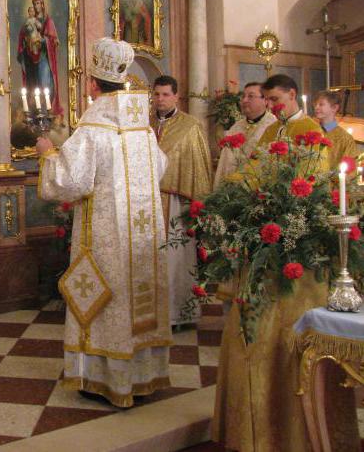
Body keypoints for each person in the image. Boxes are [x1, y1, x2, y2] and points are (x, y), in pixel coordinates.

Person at [213, 74, 357, 451]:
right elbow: (255, 171)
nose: (273, 106)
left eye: (276, 99)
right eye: (269, 100)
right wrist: (232, 192)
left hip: (297, 256)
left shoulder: (310, 130)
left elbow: (310, 180)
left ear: (292, 95)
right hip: (265, 238)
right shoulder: (270, 132)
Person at [36, 37, 171, 408]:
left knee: (103, 301)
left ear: (93, 84)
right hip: (143, 233)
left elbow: (69, 182)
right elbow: (161, 167)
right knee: (135, 301)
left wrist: (49, 155)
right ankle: (142, 377)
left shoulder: (93, 128)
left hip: (106, 235)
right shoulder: (140, 127)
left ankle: (101, 378)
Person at [149, 75, 212, 325]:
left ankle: (178, 315)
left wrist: (198, 204)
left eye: (165, 94)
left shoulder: (190, 126)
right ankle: (152, 314)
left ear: (176, 96)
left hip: (177, 202)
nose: (160, 99)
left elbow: (199, 167)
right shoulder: (143, 125)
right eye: (156, 94)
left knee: (177, 258)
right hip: (148, 203)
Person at [213, 82, 276, 189]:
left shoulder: (273, 126)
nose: (244, 100)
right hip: (232, 191)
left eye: (250, 96)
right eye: (243, 96)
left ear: (265, 100)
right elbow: (225, 163)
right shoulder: (236, 127)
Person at [17, 0, 62, 117]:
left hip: (43, 58)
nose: (36, 6)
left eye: (38, 3)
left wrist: (44, 41)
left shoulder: (48, 21)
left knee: (44, 83)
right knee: (33, 84)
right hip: (32, 58)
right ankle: (35, 113)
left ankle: (45, 112)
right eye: (34, 3)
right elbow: (23, 36)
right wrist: (26, 43)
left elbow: (53, 40)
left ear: (42, 5)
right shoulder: (29, 21)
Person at [314, 90, 359, 169]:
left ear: (334, 108)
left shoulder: (345, 138)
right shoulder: (311, 131)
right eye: (315, 104)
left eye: (321, 104)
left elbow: (350, 170)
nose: (316, 107)